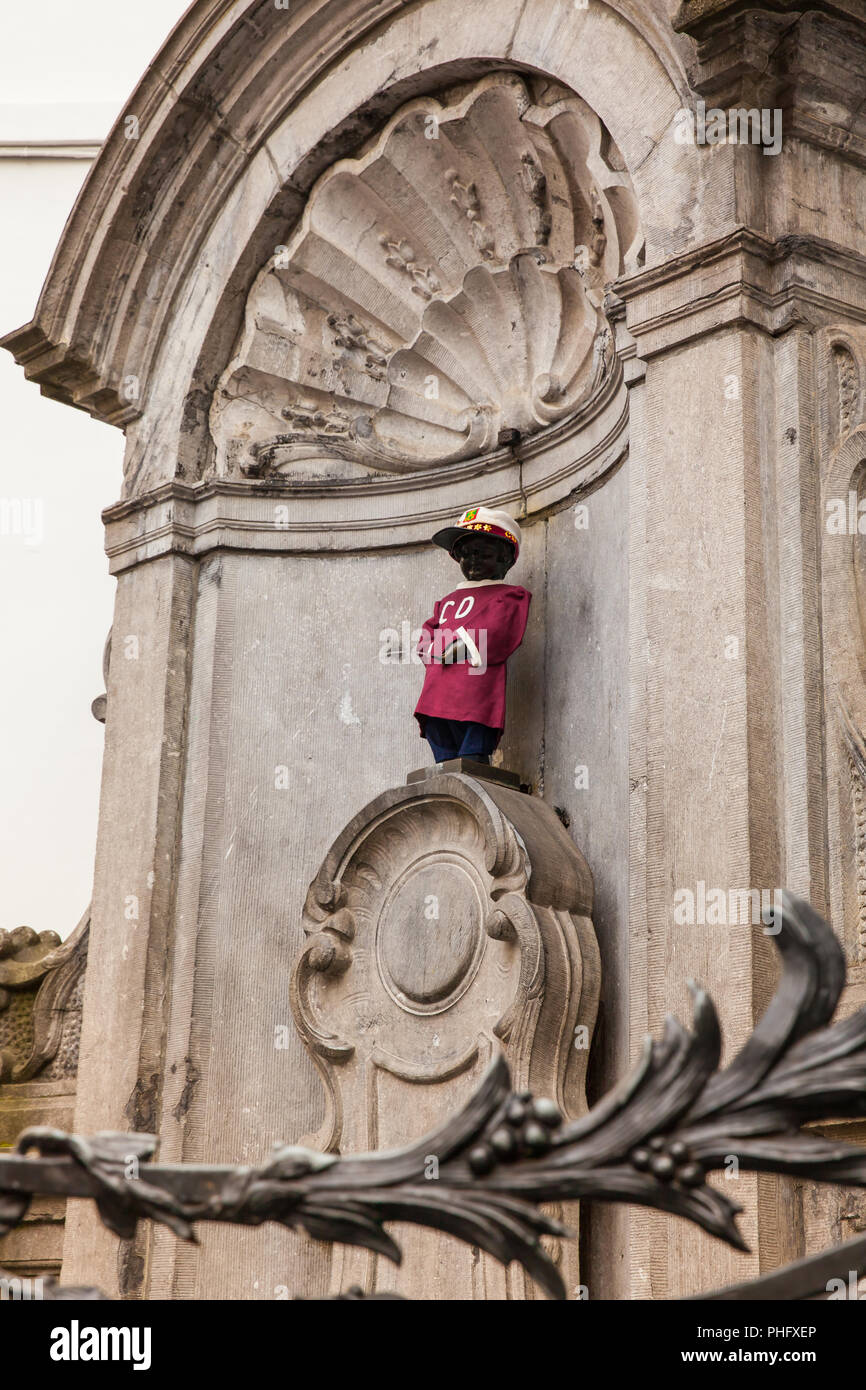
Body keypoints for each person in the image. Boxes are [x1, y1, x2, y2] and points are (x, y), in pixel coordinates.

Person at [414, 507, 531, 764]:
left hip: (476, 693)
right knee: (442, 751)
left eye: (482, 553)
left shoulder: (509, 596)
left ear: (506, 559)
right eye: (465, 554)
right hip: (436, 694)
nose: (472, 560)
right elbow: (426, 635)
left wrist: (464, 645)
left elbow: (501, 632)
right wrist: (432, 648)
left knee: (473, 754)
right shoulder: (446, 602)